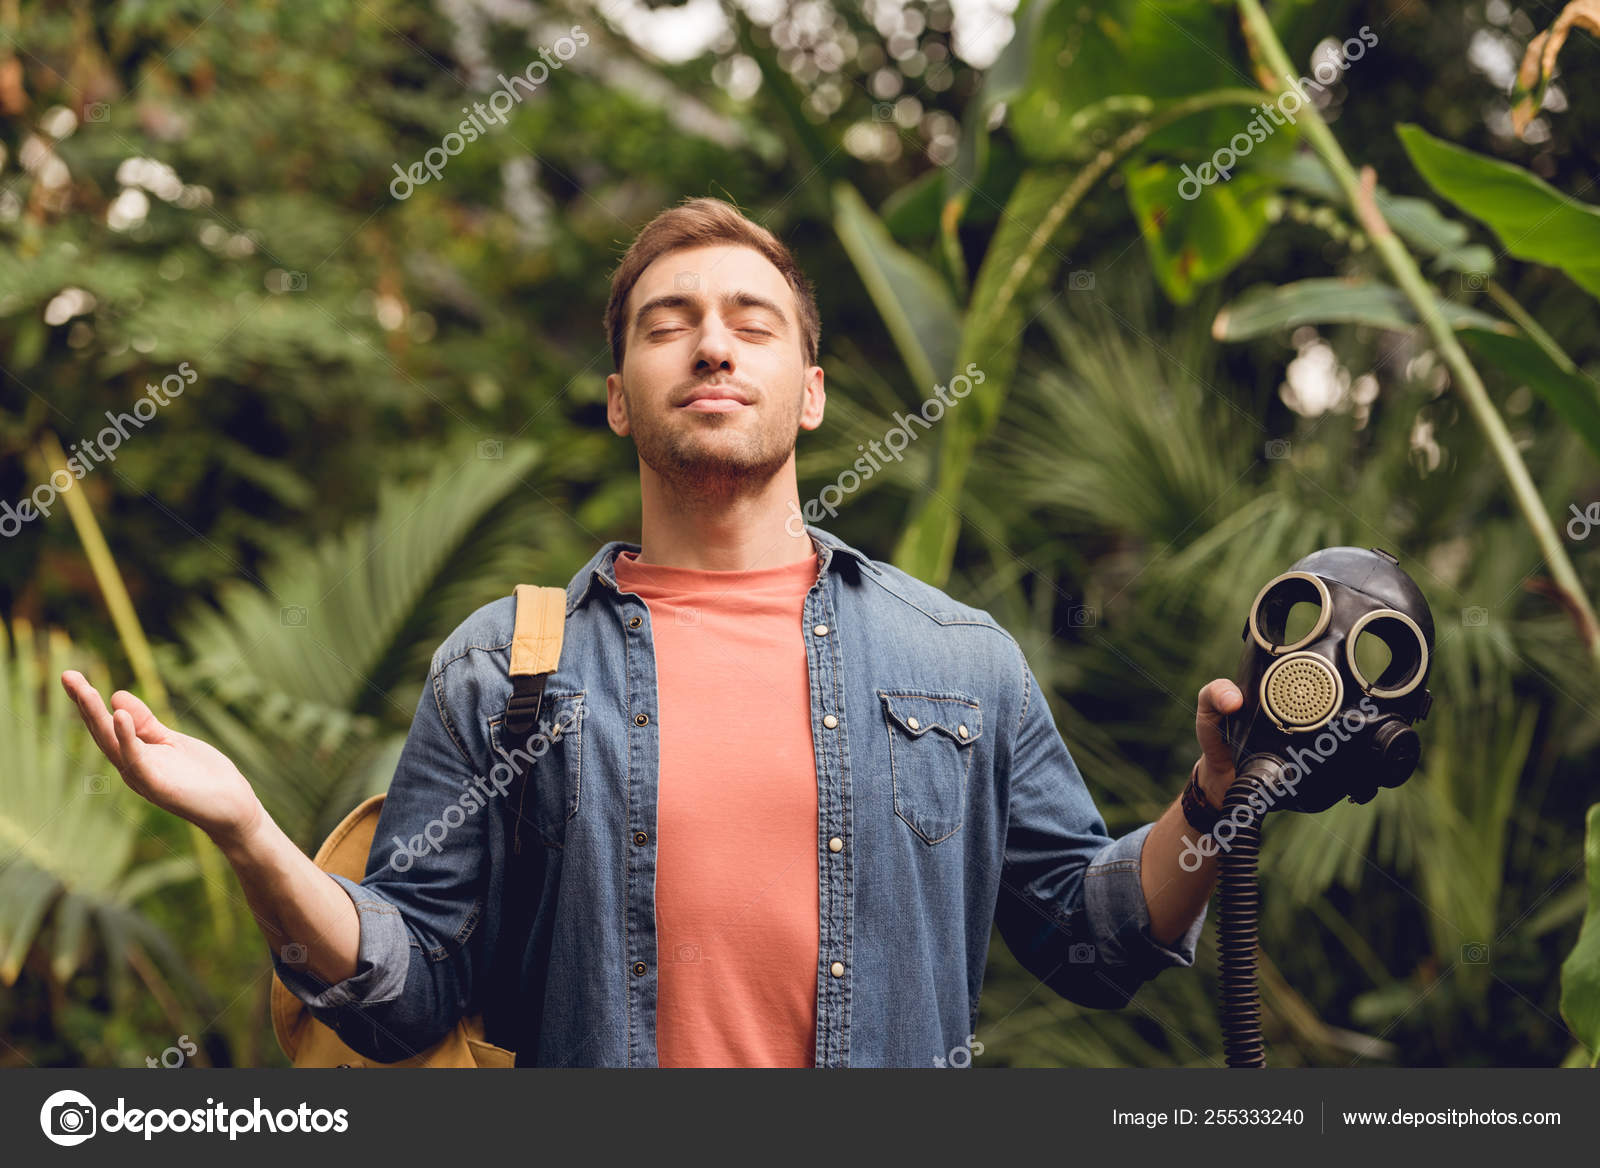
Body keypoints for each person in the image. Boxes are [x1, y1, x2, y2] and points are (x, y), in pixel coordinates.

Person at [61, 196, 1245, 1068]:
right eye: (669, 323)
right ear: (621, 393)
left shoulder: (958, 660)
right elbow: (406, 992)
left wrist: (1211, 800)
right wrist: (253, 837)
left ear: (812, 390)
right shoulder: (504, 669)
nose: (714, 345)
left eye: (752, 323)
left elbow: (1095, 939)